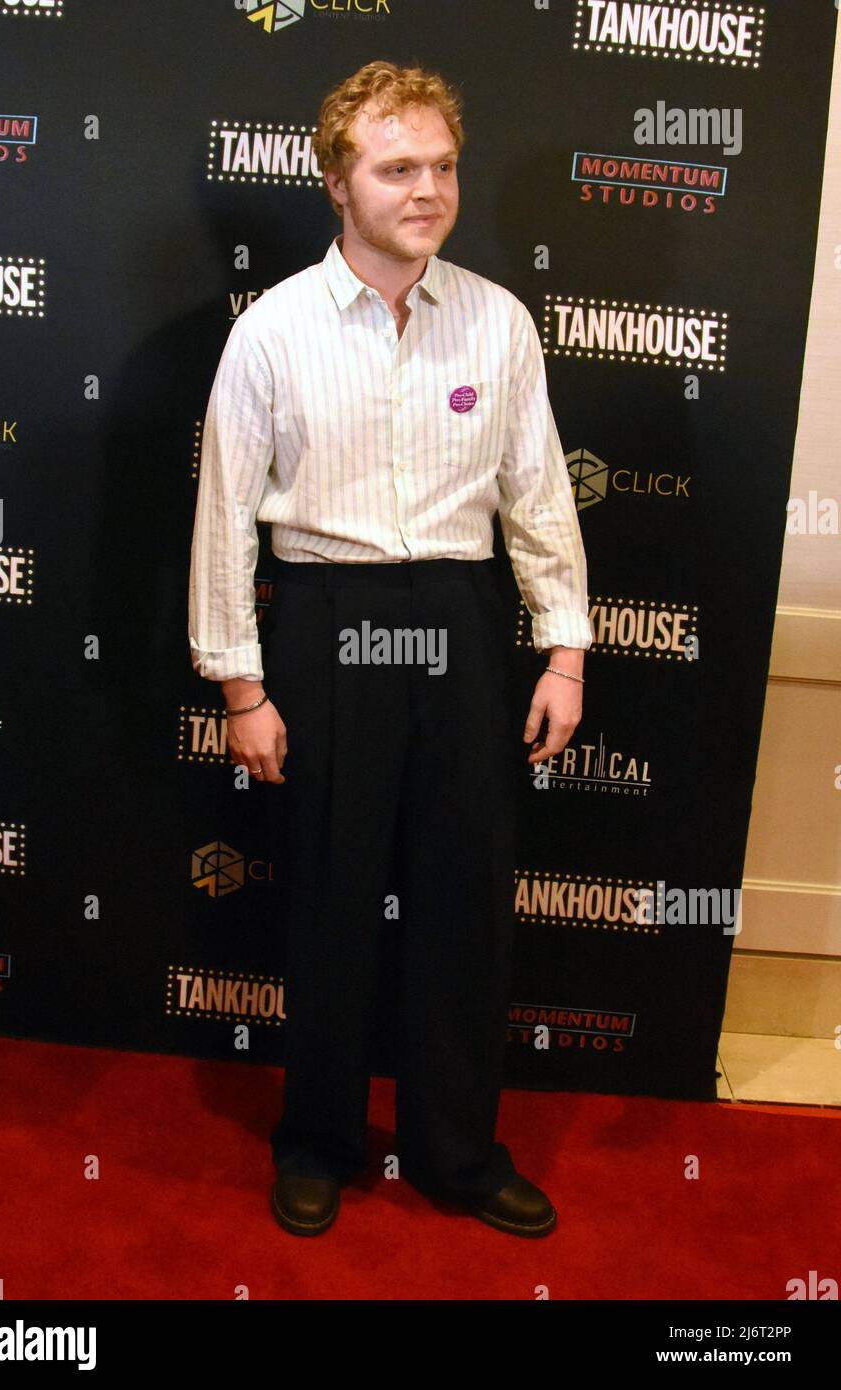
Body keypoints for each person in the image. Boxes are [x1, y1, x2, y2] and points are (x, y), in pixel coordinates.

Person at [188, 60, 593, 1238]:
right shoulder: (271, 333)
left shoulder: (497, 320)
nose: (424, 190)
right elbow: (224, 513)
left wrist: (562, 650)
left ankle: (457, 1153)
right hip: (321, 623)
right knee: (328, 898)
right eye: (395, 167)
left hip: (462, 623)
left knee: (466, 902)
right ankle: (316, 1139)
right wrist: (241, 683)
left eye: (441, 167)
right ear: (336, 180)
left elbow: (538, 497)